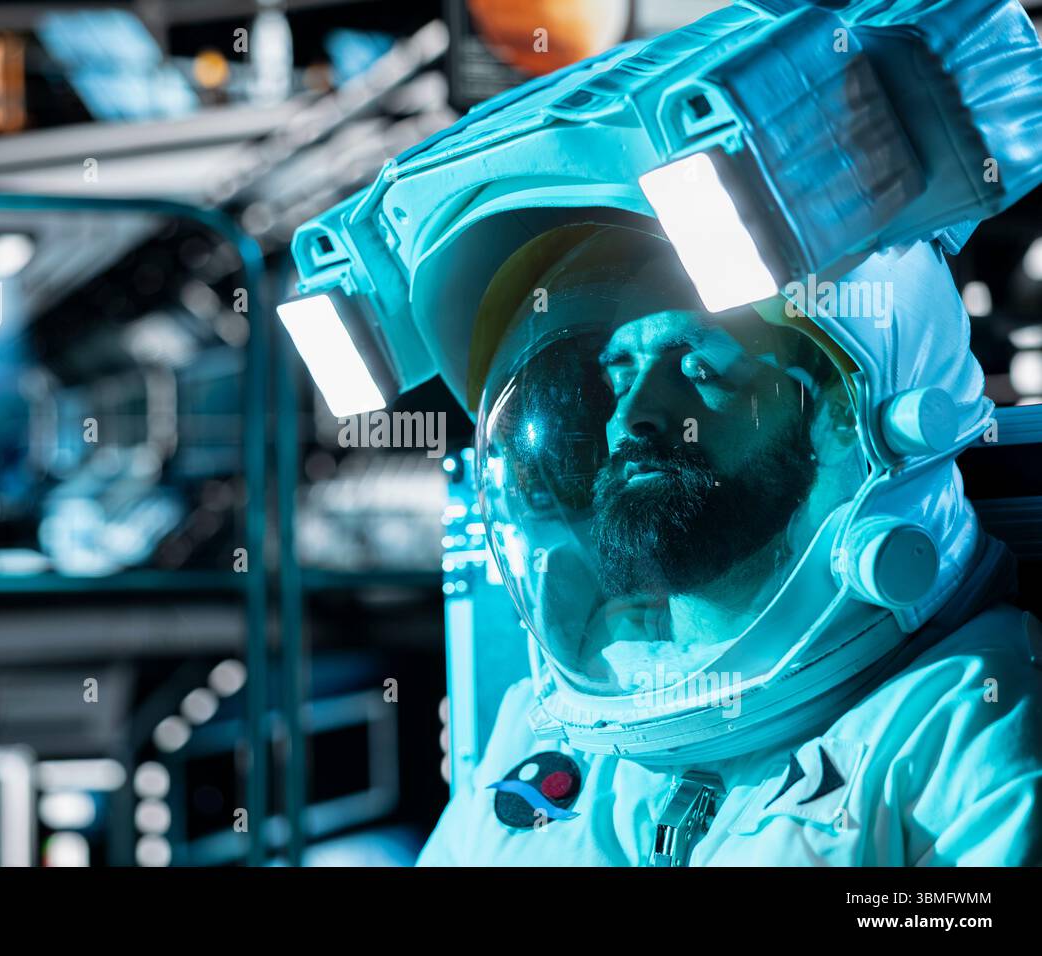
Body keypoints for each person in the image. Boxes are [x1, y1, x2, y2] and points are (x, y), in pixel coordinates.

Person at [416, 218, 1042, 866]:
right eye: (619, 374)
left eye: (699, 369)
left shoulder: (959, 732)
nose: (633, 415)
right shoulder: (545, 722)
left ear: (832, 415)